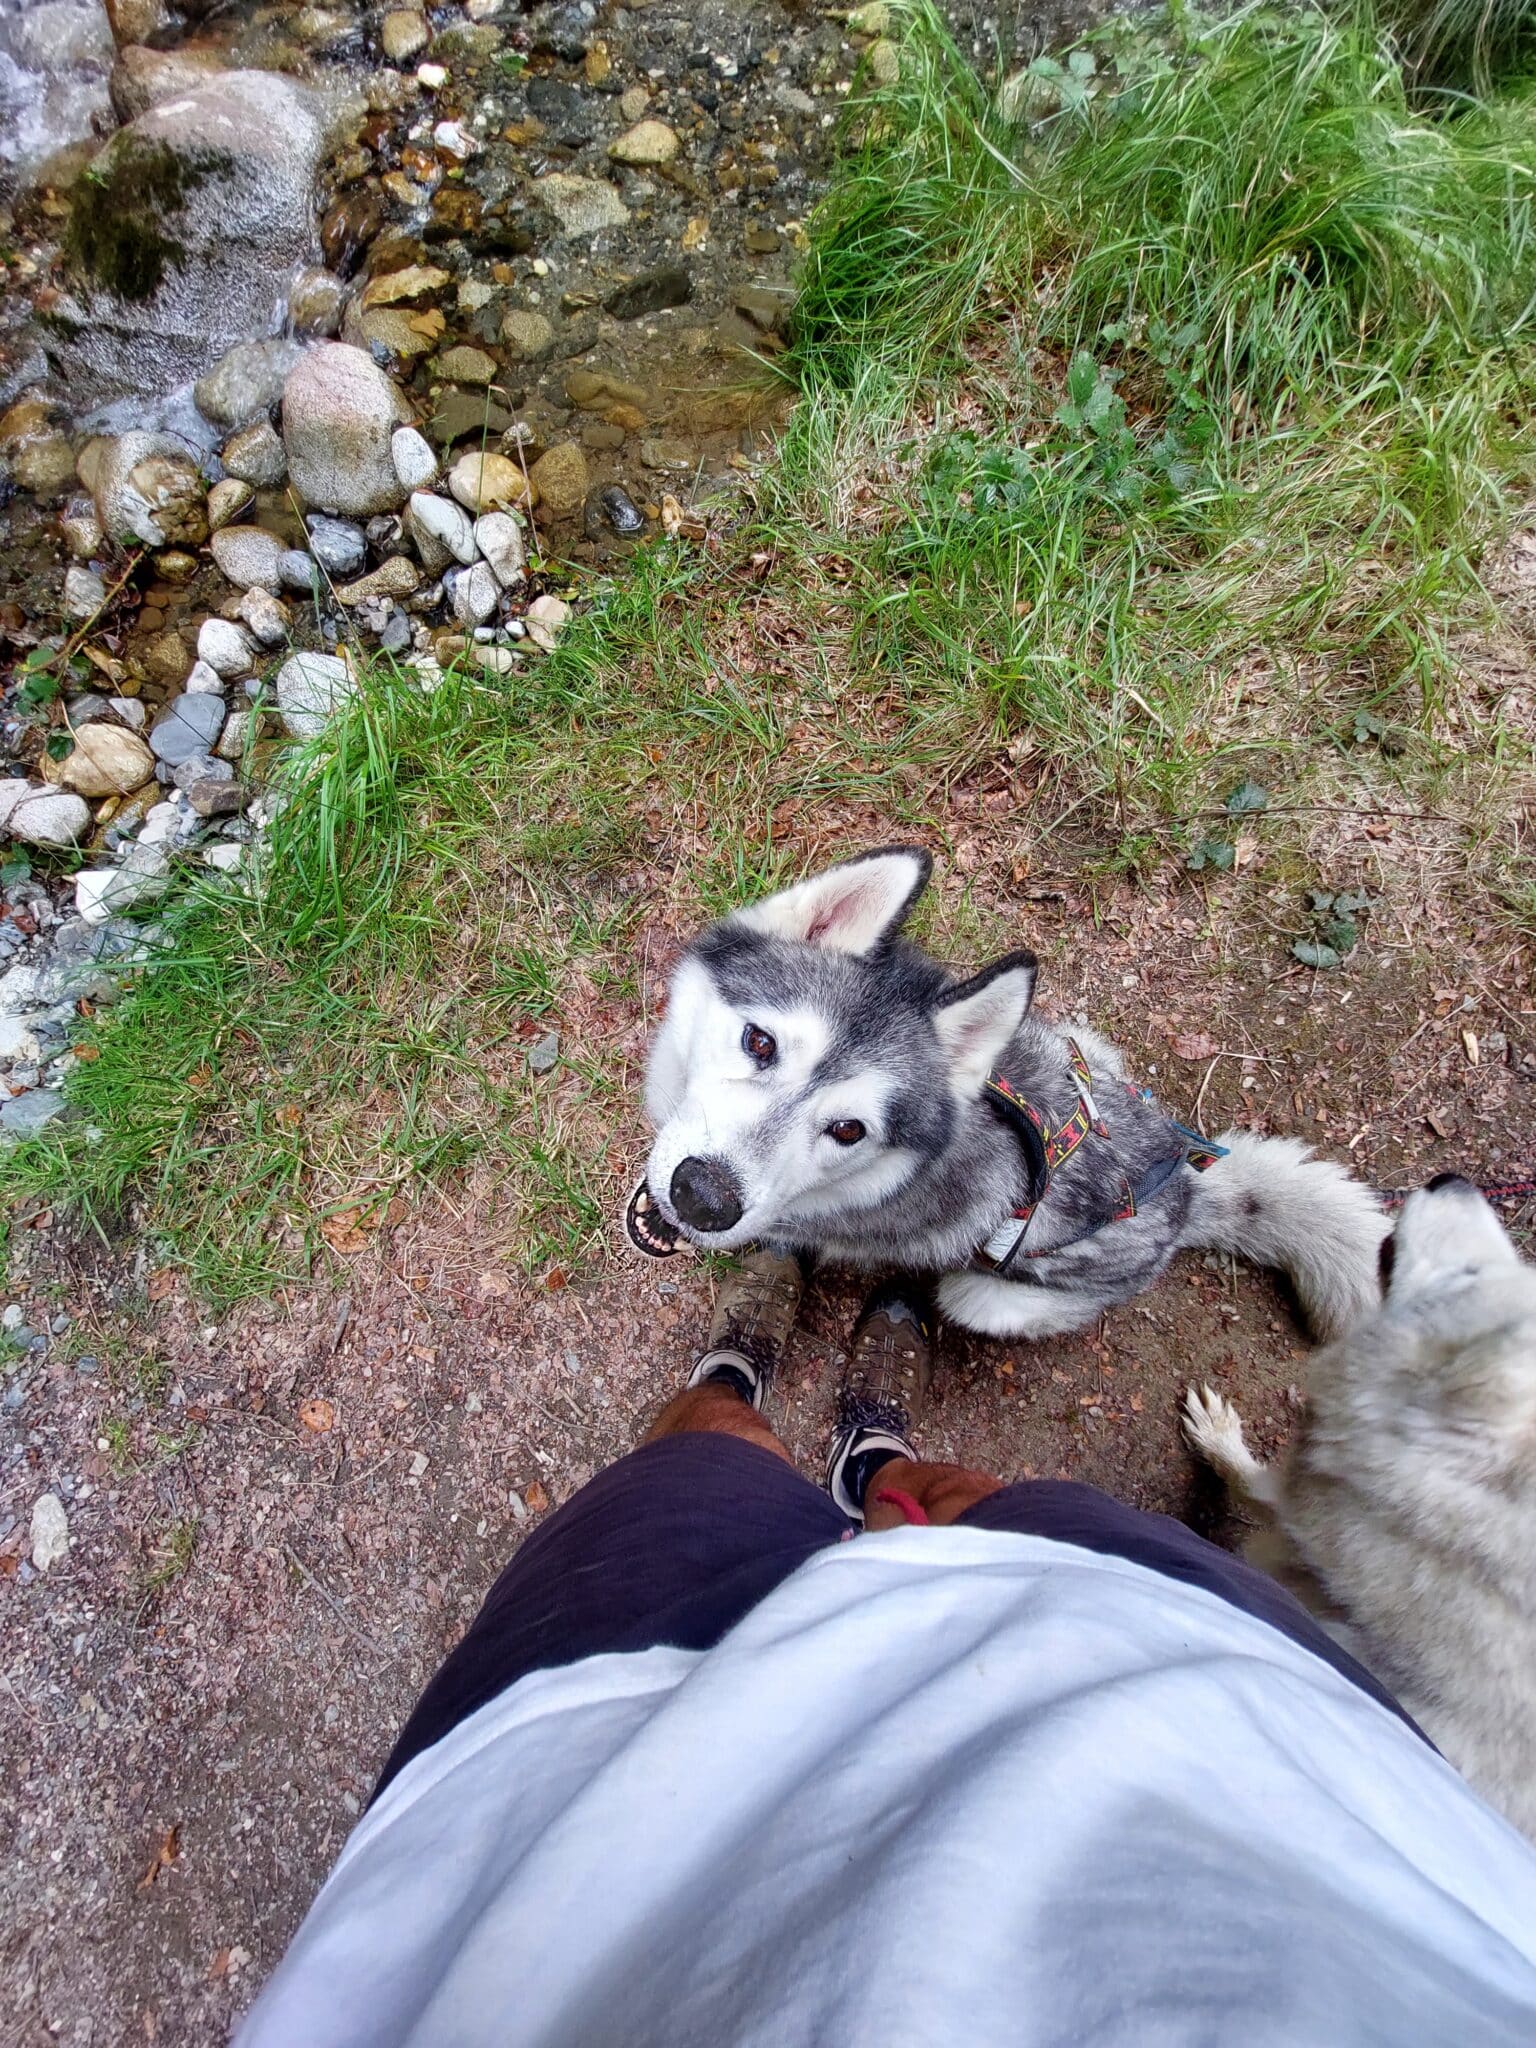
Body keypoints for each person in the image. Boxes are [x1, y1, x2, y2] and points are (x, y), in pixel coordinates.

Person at [238, 1257, 1536, 2046]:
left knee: (699, 1462)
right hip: (1240, 1710)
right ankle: (875, 1456)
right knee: (974, 1505)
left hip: (586, 1784)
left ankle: (735, 1381)